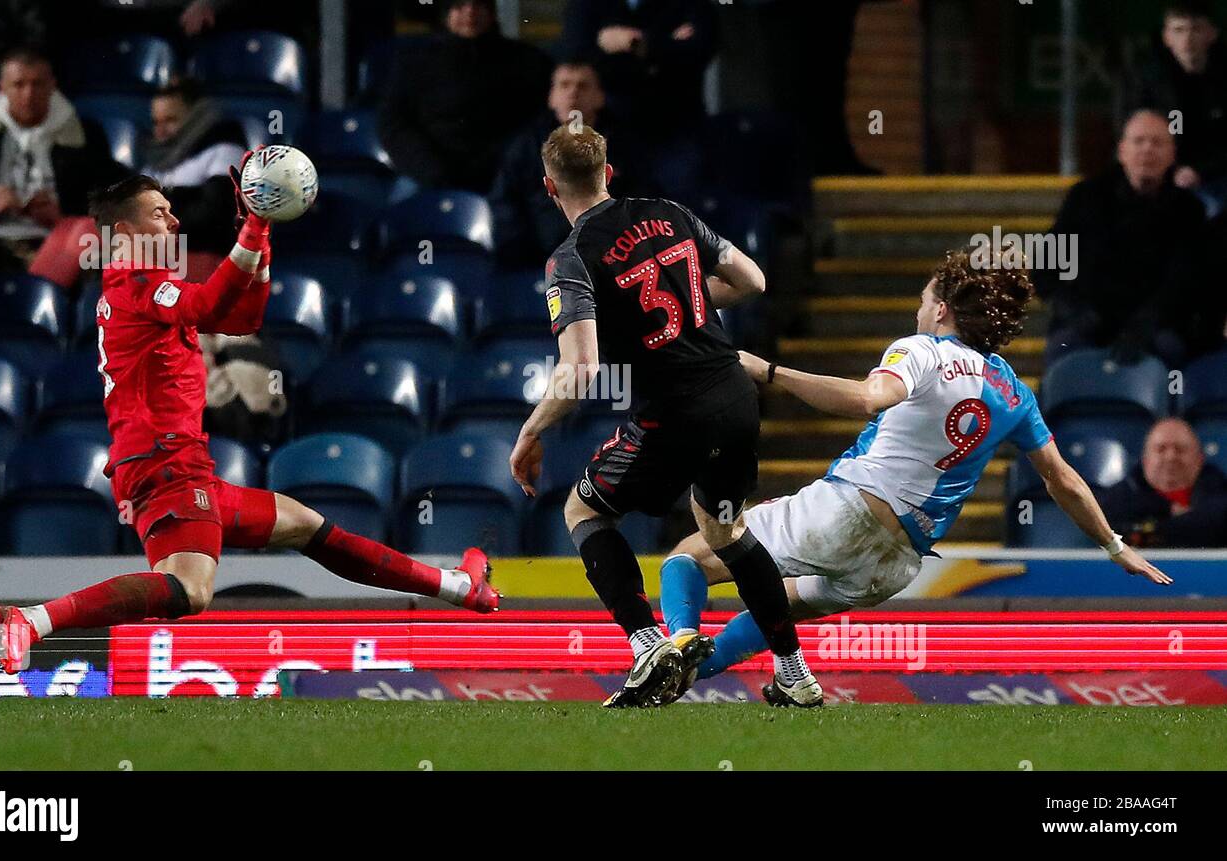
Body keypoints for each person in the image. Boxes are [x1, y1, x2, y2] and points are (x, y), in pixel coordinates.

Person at [0, 169, 499, 674]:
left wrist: (263, 241)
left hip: (164, 464)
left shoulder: (142, 287)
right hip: (167, 462)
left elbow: (240, 319)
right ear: (124, 234)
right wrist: (251, 229)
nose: (174, 221)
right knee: (190, 591)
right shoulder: (137, 283)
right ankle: (33, 619)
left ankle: (457, 586)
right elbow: (209, 302)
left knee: (302, 524)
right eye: (159, 213)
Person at [658, 250, 1173, 694]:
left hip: (851, 510)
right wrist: (1113, 544)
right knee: (778, 608)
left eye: (925, 300)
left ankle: (676, 645)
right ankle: (684, 678)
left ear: (943, 309)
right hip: (898, 564)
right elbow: (1062, 480)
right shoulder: (1013, 390)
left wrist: (768, 371)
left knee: (688, 559)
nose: (918, 309)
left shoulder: (922, 350)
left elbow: (866, 398)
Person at [508, 125, 809, 708]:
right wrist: (692, 299)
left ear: (549, 187)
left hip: (675, 414)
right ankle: (795, 672)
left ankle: (648, 643)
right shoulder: (667, 212)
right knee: (726, 532)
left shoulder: (570, 259)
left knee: (584, 509)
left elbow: (579, 370)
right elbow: (753, 280)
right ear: (609, 172)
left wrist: (531, 430)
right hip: (735, 398)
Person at [1035, 108, 1207, 367]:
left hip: (1157, 326)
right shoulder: (1084, 199)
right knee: (1065, 352)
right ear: (1122, 150)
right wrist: (1074, 310)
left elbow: (1187, 282)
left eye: (1157, 142)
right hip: (1086, 321)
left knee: (1171, 352)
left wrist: (1150, 321)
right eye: (1139, 141)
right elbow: (1045, 266)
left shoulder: (1189, 210)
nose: (1147, 150)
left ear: (1172, 154)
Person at [0, 47, 127, 268]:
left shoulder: (84, 134)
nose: (28, 94)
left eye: (37, 84)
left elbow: (110, 199)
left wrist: (62, 213)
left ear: (52, 86)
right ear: (2, 89)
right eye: (19, 85)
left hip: (60, 242)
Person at [377, 0, 552, 192]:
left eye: (479, 5)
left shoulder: (528, 62)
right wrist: (431, 169)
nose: (470, 12)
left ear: (491, 12)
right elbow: (394, 124)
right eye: (460, 5)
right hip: (427, 177)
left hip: (504, 177)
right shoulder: (414, 63)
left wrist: (501, 166)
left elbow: (536, 123)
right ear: (447, 12)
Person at [490, 58, 648, 268]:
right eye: (564, 85)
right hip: (537, 261)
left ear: (600, 97)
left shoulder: (624, 145)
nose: (573, 93)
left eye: (582, 86)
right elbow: (504, 204)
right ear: (551, 97)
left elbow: (641, 203)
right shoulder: (526, 145)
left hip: (611, 261)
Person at [560, 0, 717, 140]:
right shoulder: (586, 5)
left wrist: (639, 44)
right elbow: (575, 58)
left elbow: (701, 47)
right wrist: (665, 45)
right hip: (608, 128)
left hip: (676, 123)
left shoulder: (690, 4)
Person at [1128, 1, 1227, 217]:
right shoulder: (1150, 82)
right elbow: (1134, 134)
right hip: (1165, 176)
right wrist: (1170, 170)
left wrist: (1200, 171)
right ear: (1167, 37)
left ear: (1211, 34)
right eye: (1179, 30)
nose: (1187, 39)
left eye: (1196, 29)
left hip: (1217, 177)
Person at [141, 77, 247, 257]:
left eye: (170, 120)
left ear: (196, 116)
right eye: (156, 122)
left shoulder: (225, 147)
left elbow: (215, 214)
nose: (160, 131)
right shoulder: (154, 159)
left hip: (207, 255)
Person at [1099, 418, 1227, 547]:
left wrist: (1155, 531)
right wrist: (1169, 511)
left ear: (1200, 458)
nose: (1170, 457)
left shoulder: (1221, 495)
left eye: (1180, 449)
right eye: (1161, 449)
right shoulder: (1118, 499)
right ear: (1145, 460)